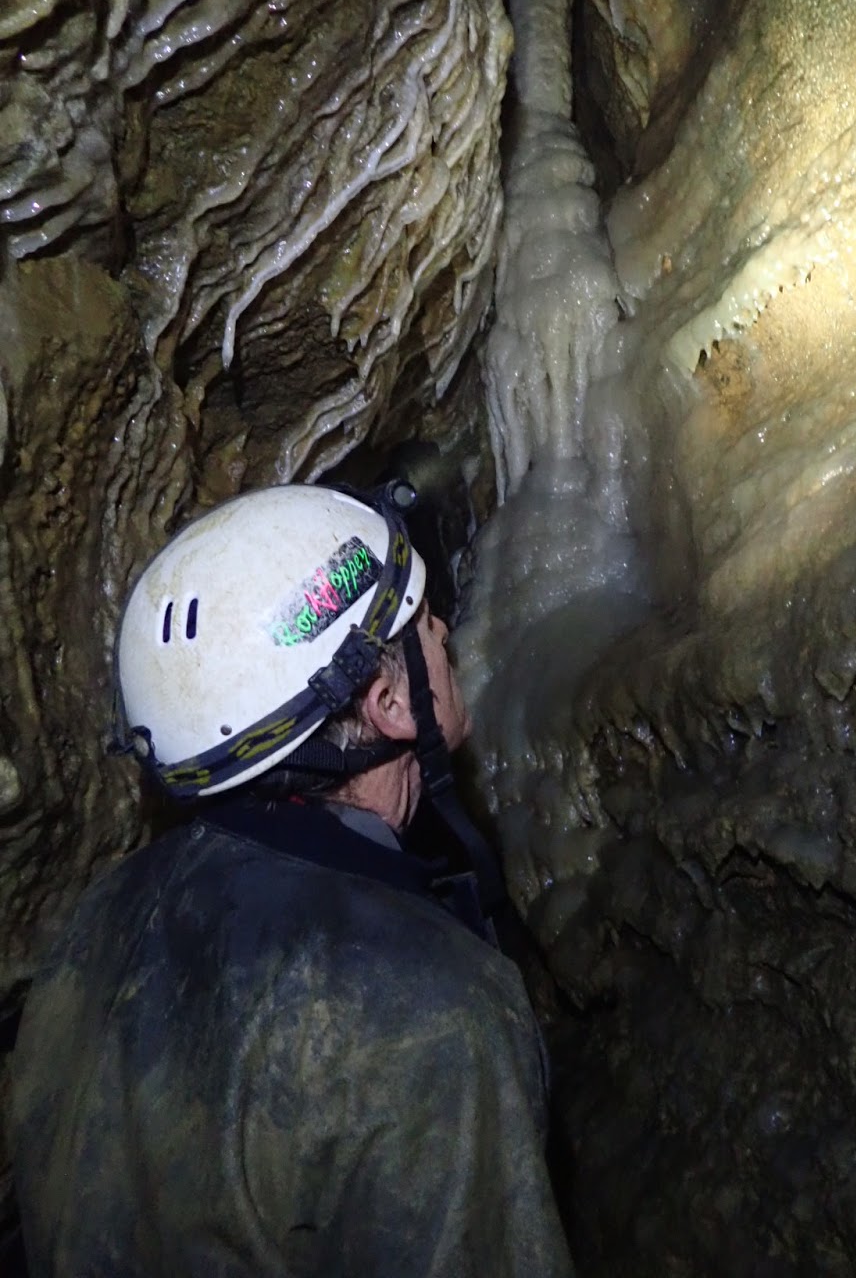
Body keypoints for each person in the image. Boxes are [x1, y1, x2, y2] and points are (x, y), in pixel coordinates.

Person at [9, 482, 575, 1277]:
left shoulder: (98, 919)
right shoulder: (433, 1019)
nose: (442, 628)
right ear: (390, 702)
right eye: (421, 621)